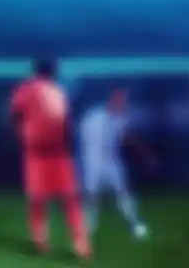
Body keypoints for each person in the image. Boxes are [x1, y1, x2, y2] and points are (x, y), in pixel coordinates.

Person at [10, 58, 90, 260]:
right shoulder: (58, 92)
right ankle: (80, 243)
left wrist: (21, 134)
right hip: (58, 152)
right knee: (69, 199)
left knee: (38, 198)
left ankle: (40, 240)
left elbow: (15, 114)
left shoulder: (27, 89)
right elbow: (67, 122)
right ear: (53, 72)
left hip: (37, 151)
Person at [80, 90, 153, 240]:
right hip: (93, 163)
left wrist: (145, 154)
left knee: (123, 192)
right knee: (92, 197)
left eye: (124, 102)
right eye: (120, 101)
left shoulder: (121, 119)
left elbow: (127, 137)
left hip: (112, 163)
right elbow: (82, 138)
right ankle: (88, 230)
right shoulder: (94, 116)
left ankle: (134, 224)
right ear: (112, 101)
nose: (122, 105)